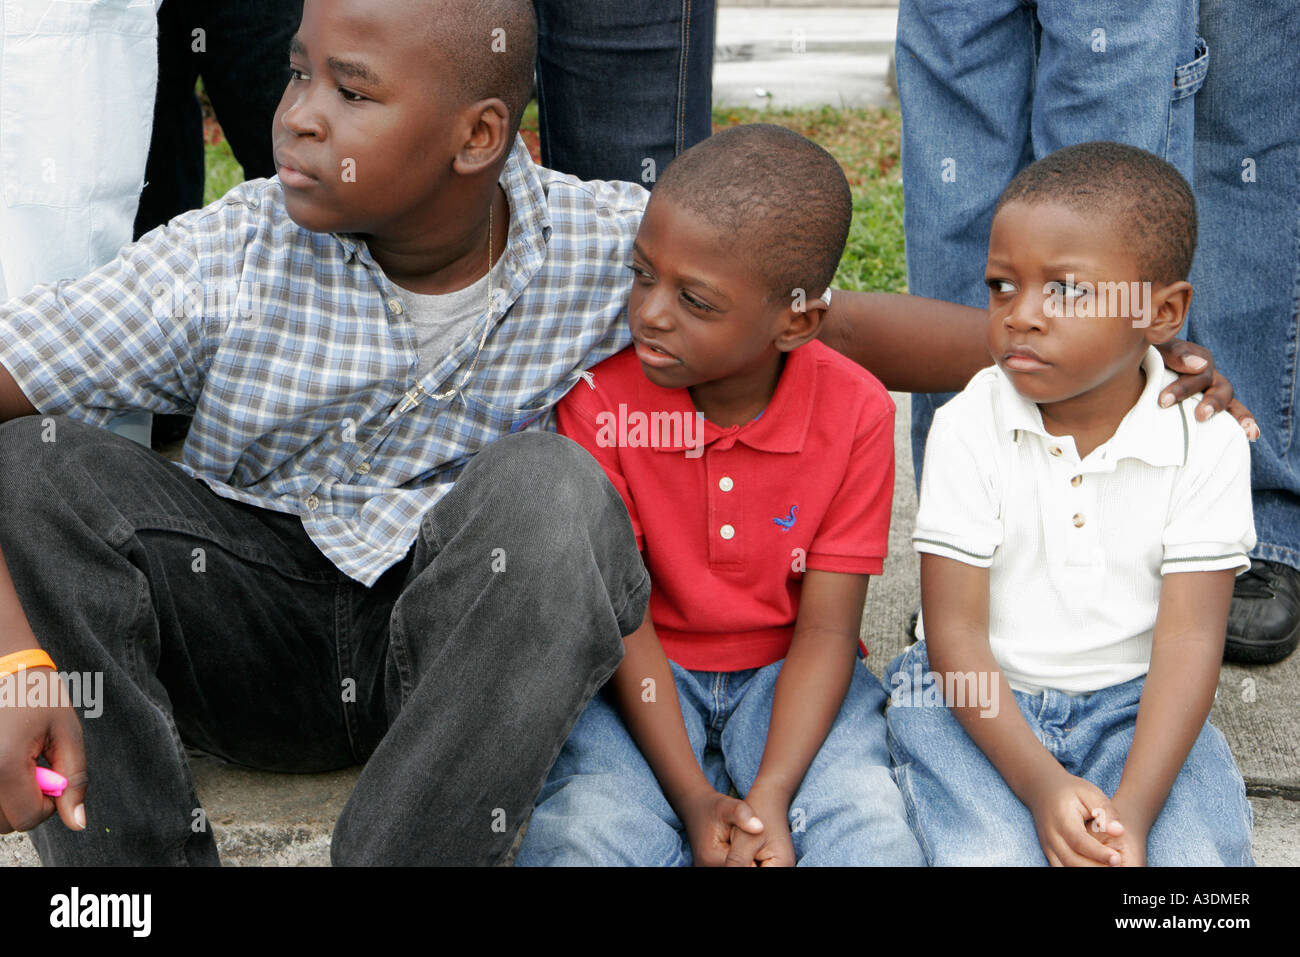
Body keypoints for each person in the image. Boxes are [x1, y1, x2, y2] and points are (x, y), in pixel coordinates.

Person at [0, 0, 1242, 866]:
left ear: (479, 138)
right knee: (38, 465)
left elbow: (824, 320)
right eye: (299, 73)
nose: (298, 117)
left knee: (551, 488)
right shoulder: (226, 252)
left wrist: (1114, 348)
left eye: (351, 91)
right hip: (252, 630)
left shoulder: (605, 247)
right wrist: (11, 658)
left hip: (455, 658)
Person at [516, 125, 923, 867]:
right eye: (643, 275)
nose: (651, 313)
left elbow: (829, 632)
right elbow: (622, 620)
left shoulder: (857, 413)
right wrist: (696, 800)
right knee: (588, 831)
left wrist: (770, 793)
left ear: (795, 320)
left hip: (791, 680)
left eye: (695, 301)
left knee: (867, 825)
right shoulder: (599, 405)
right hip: (633, 681)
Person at [885, 142, 1255, 866]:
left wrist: (1134, 819)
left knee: (1192, 871)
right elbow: (954, 637)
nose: (1020, 316)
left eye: (1067, 290)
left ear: (1162, 311)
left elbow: (1187, 646)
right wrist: (1043, 785)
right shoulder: (970, 422)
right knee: (989, 854)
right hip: (972, 698)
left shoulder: (1208, 441)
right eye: (1000, 286)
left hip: (1134, 707)